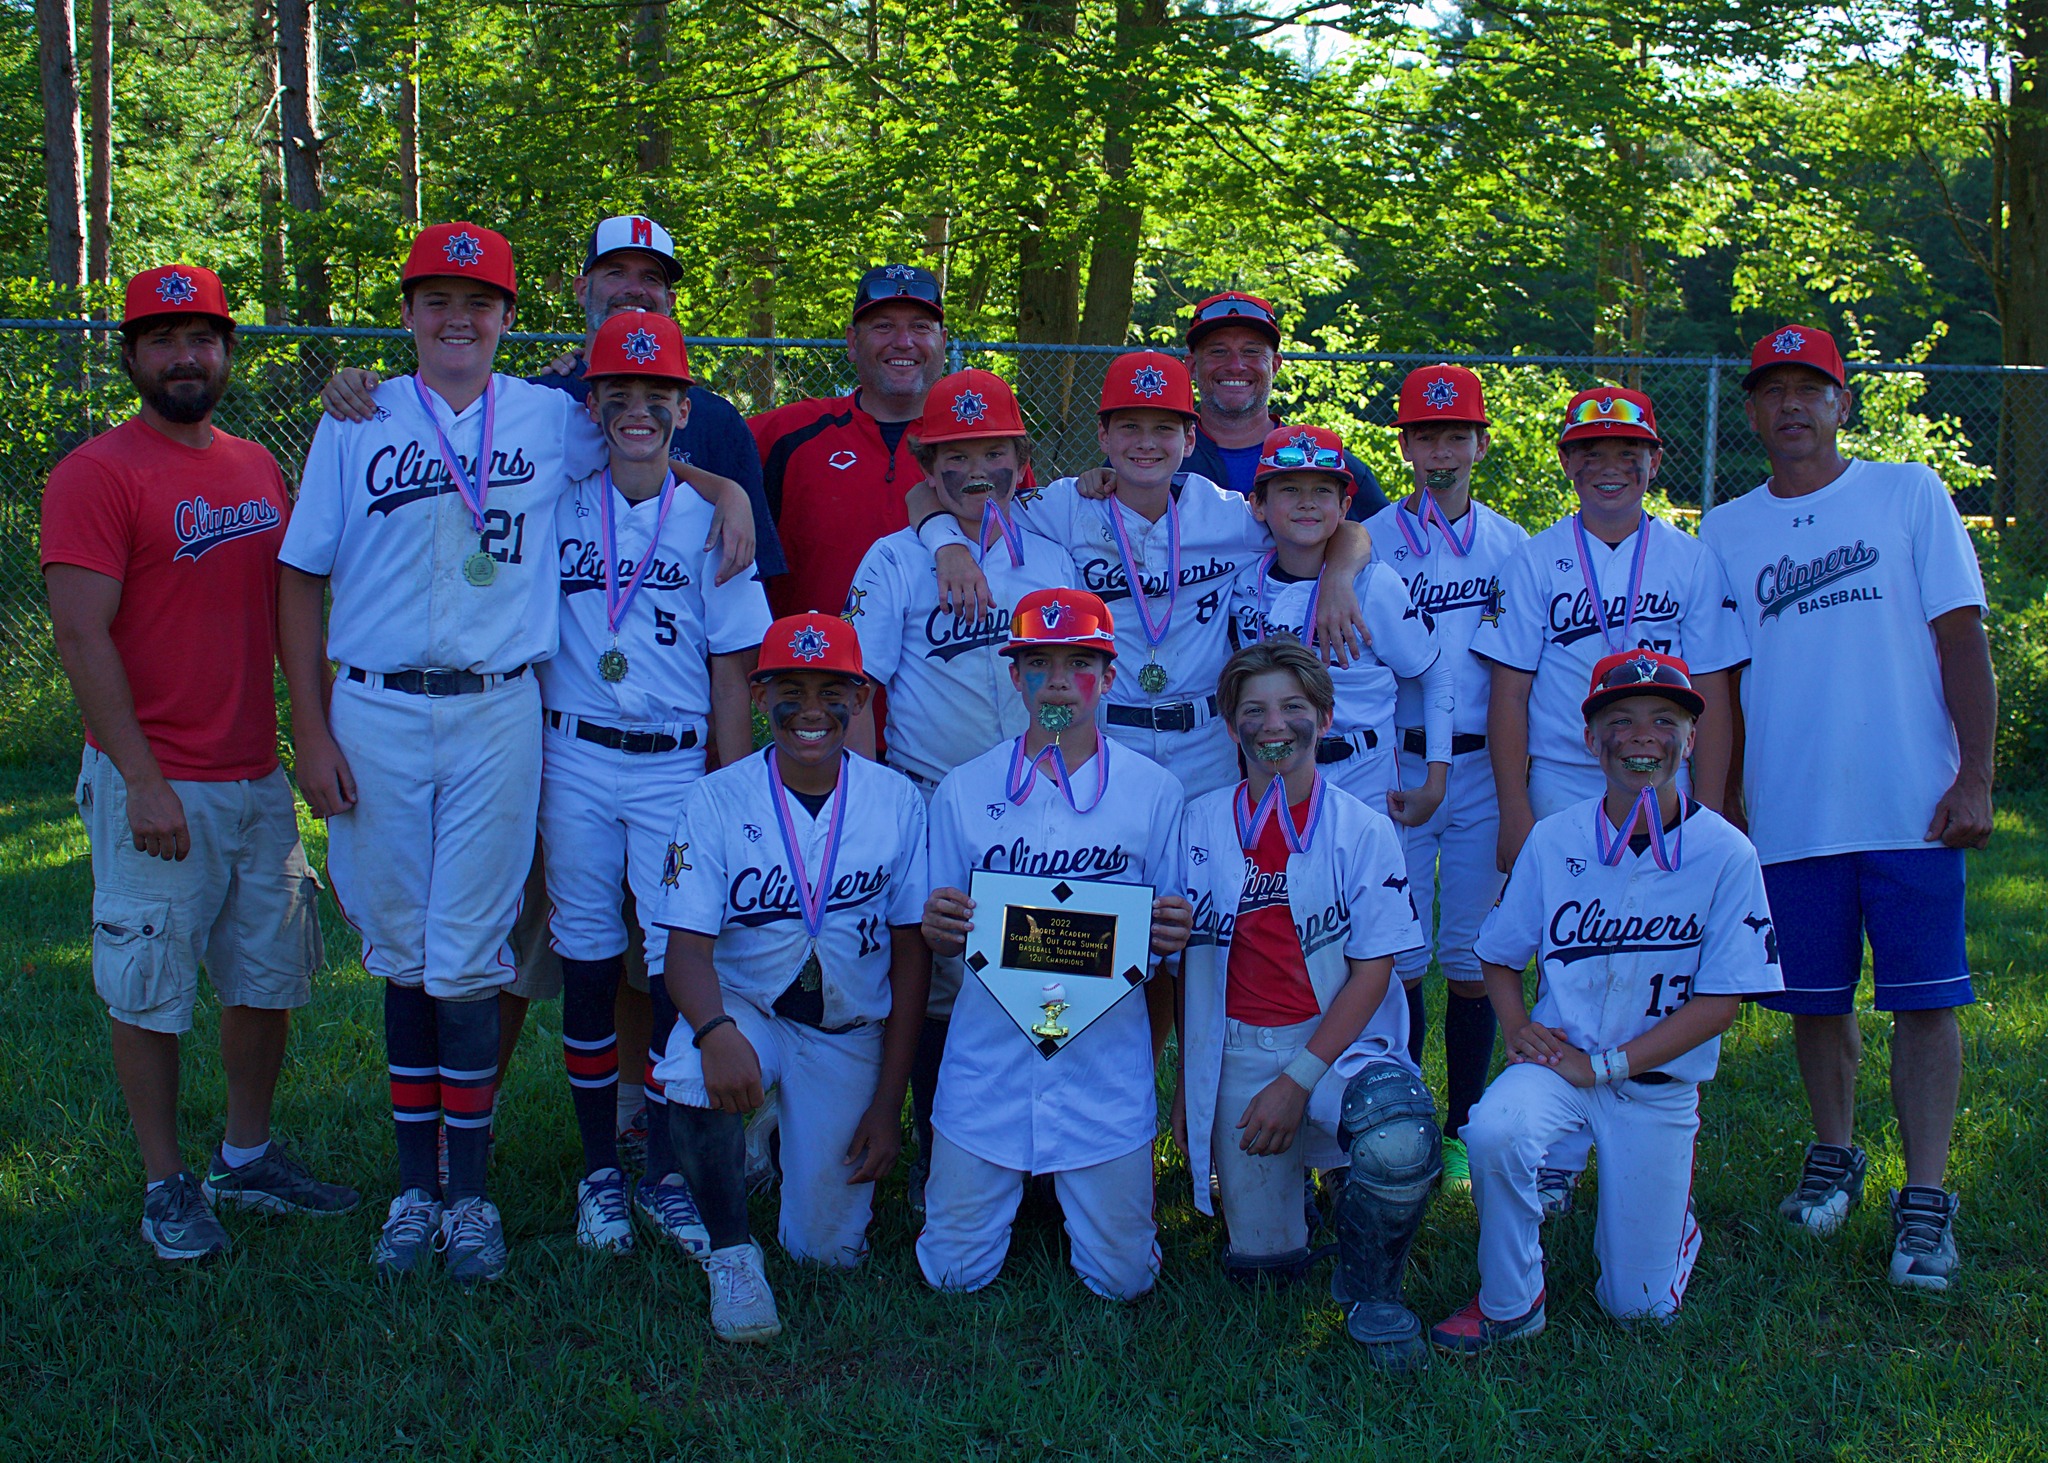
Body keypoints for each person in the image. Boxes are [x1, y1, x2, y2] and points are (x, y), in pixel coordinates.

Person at [276, 222, 751, 1284]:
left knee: (474, 947)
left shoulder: (550, 416)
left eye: (479, 300)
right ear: (405, 314)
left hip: (500, 710)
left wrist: (720, 491)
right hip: (378, 706)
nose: (458, 316)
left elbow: (648, 446)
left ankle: (475, 1195)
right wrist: (306, 727)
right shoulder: (357, 418)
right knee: (404, 951)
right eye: (436, 298)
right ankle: (416, 1187)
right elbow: (301, 572)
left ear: (508, 315)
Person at [40, 264, 358, 1261]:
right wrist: (139, 778)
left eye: (204, 338)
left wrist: (312, 733)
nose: (186, 356)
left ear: (227, 352)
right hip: (156, 773)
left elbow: (293, 606)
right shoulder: (96, 471)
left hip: (251, 774)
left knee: (267, 974)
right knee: (149, 982)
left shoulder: (254, 469)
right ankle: (165, 1180)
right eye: (163, 338)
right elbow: (81, 636)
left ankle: (247, 1153)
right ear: (131, 354)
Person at [1700, 325, 1994, 1291]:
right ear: (1750, 411)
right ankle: (1835, 1151)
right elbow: (1721, 685)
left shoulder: (1907, 492)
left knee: (1924, 1002)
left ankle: (1927, 1194)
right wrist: (1726, 804)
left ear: (1842, 403)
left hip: (1910, 803)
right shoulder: (1728, 529)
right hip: (1792, 811)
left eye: (1810, 389)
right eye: (1772, 391)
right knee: (1814, 1005)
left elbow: (1961, 642)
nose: (1791, 406)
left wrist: (1976, 776)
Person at [1431, 650, 1782, 1352]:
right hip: (1560, 1065)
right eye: (1618, 721)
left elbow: (1720, 1004)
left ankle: (1667, 1222)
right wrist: (1518, 1024)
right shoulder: (1555, 839)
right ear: (1590, 741)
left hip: (1653, 1084)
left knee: (1638, 1309)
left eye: (1663, 719)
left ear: (1690, 739)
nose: (1641, 736)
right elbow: (1497, 954)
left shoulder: (1726, 853)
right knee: (1494, 1129)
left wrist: (1610, 1066)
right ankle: (1512, 1296)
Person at [1471, 386, 1746, 1217]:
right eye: (1590, 451)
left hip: (1665, 772)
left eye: (1628, 452)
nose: (1609, 467)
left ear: (1655, 462)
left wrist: (1717, 806)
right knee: (1569, 946)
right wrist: (1516, 808)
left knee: (1655, 944)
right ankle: (1559, 1138)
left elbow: (1716, 691)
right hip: (1564, 772)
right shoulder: (1536, 557)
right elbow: (1509, 691)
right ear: (1567, 463)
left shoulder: (1690, 559)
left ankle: (1646, 1111)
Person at [535, 310, 772, 1253]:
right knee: (589, 960)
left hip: (675, 761)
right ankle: (600, 1171)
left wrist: (723, 781)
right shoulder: (559, 502)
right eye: (617, 398)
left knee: (680, 959)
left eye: (655, 398)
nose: (637, 413)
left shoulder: (711, 518)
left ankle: (668, 1172)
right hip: (575, 756)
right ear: (592, 407)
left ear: (684, 408)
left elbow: (729, 667)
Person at [914, 352, 1375, 800]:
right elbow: (936, 492)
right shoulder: (1066, 506)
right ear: (1103, 436)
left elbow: (1342, 526)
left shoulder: (1227, 515)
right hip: (1108, 732)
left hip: (1206, 739)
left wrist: (1338, 575)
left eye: (1164, 429)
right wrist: (947, 544)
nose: (1146, 442)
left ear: (1190, 440)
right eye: (1130, 426)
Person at [651, 614, 930, 1342]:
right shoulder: (715, 798)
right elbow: (682, 951)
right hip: (749, 1005)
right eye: (790, 689)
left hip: (847, 1026)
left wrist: (887, 1104)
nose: (811, 709)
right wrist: (713, 1032)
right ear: (757, 694)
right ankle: (732, 1253)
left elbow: (911, 959)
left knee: (825, 1251)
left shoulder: (895, 799)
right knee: (689, 1072)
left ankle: (779, 1136)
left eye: (832, 690)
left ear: (863, 700)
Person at [841, 368, 1077, 1209]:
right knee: (939, 977)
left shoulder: (1052, 555)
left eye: (994, 450)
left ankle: (1040, 1160)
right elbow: (862, 683)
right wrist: (870, 797)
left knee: (1035, 968)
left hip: (1038, 797)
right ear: (926, 463)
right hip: (931, 796)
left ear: (1022, 455)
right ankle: (946, 1155)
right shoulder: (895, 556)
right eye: (956, 453)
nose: (978, 468)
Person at [917, 589, 1193, 1300]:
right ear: (1016, 677)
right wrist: (938, 923)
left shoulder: (1155, 793)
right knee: (952, 1273)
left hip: (1104, 1072)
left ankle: (1072, 1199)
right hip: (988, 1066)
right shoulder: (963, 790)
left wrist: (1170, 931)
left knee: (1123, 1281)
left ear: (1108, 674)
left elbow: (1167, 941)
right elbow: (938, 927)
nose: (1060, 680)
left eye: (1081, 662)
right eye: (1039, 663)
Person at [1178, 639, 1436, 1369]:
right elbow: (1180, 961)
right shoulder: (1198, 822)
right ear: (1230, 726)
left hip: (1334, 1042)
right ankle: (1311, 1201)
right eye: (1253, 710)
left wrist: (1298, 1078)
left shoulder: (1361, 826)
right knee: (1267, 1267)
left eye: (1294, 706)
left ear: (1324, 716)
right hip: (1236, 1046)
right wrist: (1187, 1095)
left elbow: (1376, 968)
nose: (1274, 725)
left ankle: (1373, 1289)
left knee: (1396, 1134)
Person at [1362, 366, 1530, 1183]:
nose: (1440, 452)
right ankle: (1400, 1111)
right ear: (1404, 445)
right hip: (1394, 760)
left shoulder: (1511, 544)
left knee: (1470, 953)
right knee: (1396, 953)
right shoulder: (1369, 538)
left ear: (1480, 444)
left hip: (1482, 766)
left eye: (1455, 435)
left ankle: (1462, 1121)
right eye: (1424, 436)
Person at [751, 265, 951, 616]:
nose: (903, 341)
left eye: (920, 327)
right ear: (852, 342)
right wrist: (725, 493)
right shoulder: (788, 434)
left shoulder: (981, 444)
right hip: (811, 663)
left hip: (938, 666)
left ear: (943, 342)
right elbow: (682, 458)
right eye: (883, 326)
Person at [1182, 291, 1389, 517]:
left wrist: (1351, 540)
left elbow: (1388, 539)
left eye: (1251, 351)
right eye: (1218, 352)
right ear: (1192, 366)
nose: (1236, 365)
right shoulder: (1163, 460)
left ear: (1274, 365)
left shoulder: (1328, 462)